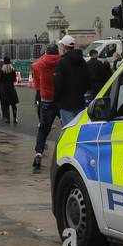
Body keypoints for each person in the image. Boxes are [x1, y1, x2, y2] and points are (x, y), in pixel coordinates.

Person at [30, 43, 62, 171]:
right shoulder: (61, 61)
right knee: (67, 125)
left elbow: (34, 66)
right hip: (60, 98)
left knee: (43, 128)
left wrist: (39, 88)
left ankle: (38, 152)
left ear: (47, 52)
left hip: (46, 98)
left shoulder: (40, 63)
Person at [53, 37, 88, 128]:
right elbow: (87, 80)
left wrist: (56, 99)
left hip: (66, 103)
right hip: (80, 101)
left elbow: (58, 84)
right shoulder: (82, 61)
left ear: (64, 47)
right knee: (79, 129)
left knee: (69, 129)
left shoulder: (61, 63)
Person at [0, 54, 19, 126]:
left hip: (5, 89)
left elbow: (1, 80)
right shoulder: (12, 69)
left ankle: (8, 119)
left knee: (6, 105)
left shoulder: (2, 70)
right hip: (12, 88)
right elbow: (15, 80)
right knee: (13, 105)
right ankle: (15, 118)